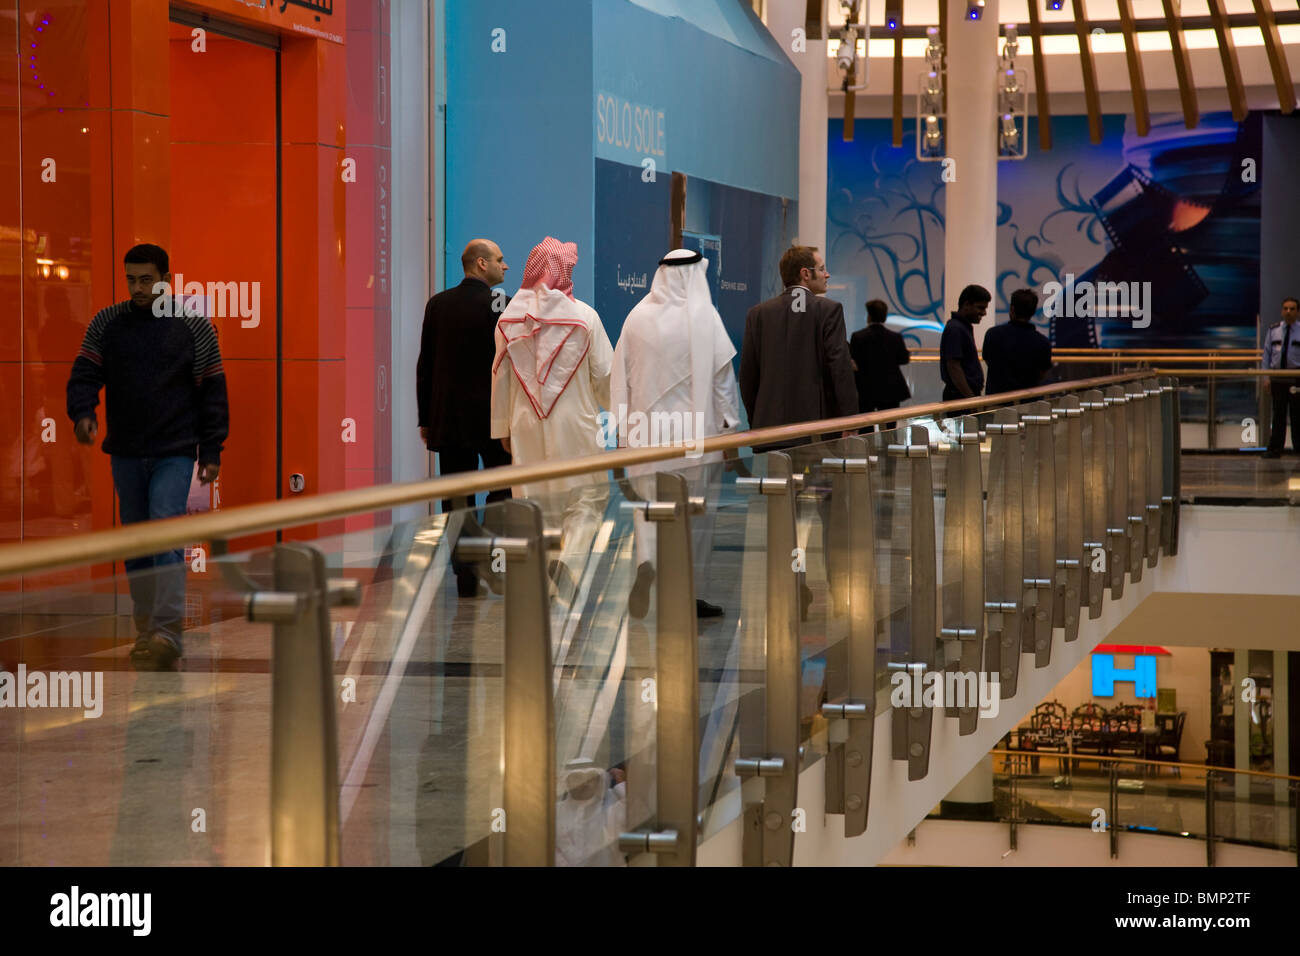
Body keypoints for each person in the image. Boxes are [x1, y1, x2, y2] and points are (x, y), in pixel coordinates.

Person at [66, 243, 229, 671]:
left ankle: (167, 632)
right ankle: (146, 631)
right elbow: (84, 373)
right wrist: (83, 413)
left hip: (175, 451)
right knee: (138, 543)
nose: (137, 288)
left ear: (165, 279)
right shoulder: (108, 323)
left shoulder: (193, 326)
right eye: (131, 280)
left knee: (164, 535)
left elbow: (213, 391)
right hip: (127, 450)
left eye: (145, 280)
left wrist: (211, 450)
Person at [611, 248, 741, 619]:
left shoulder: (635, 317)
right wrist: (731, 431)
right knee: (697, 515)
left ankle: (648, 564)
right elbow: (723, 384)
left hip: (645, 438)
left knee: (649, 510)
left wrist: (622, 435)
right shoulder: (705, 318)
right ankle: (691, 593)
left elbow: (619, 380)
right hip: (696, 439)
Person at [490, 237, 613, 599]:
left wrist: (502, 428)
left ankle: (541, 589)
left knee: (535, 505)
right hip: (576, 423)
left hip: (524, 425)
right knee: (587, 498)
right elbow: (605, 375)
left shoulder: (508, 318)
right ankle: (569, 565)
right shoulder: (584, 316)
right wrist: (618, 410)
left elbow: (500, 379)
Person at [416, 238, 512, 597]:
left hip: (450, 419)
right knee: (503, 488)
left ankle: (465, 574)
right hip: (492, 418)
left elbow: (424, 365)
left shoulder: (437, 305)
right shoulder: (501, 303)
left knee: (457, 499)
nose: (507, 266)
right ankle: (496, 562)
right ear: (482, 264)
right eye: (501, 260)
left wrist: (427, 418)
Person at [739, 245, 857, 440]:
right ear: (805, 274)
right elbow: (840, 368)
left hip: (768, 430)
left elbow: (748, 377)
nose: (826, 275)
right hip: (816, 432)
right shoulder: (829, 310)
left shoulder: (758, 314)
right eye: (821, 269)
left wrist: (757, 421)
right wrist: (851, 421)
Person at [848, 298, 910, 430]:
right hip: (891, 387)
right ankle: (888, 448)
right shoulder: (895, 337)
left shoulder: (858, 337)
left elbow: (854, 360)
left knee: (866, 426)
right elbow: (904, 359)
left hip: (866, 387)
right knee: (890, 426)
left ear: (869, 316)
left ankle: (869, 449)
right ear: (885, 317)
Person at [982, 287, 1053, 395]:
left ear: (1012, 309)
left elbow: (988, 360)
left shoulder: (993, 334)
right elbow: (1043, 373)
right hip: (1029, 402)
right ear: (1033, 312)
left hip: (996, 401)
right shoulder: (1043, 342)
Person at [1263, 296, 1300, 458]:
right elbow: (1267, 355)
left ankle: (1299, 448)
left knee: (1297, 414)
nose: (1288, 312)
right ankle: (1275, 448)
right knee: (1278, 415)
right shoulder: (1274, 330)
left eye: (1292, 309)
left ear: (1298, 312)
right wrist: (1265, 377)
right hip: (1277, 378)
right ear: (1281, 311)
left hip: (1296, 377)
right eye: (1285, 308)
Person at [940, 284, 990, 400]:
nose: (984, 313)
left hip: (962, 394)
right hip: (960, 396)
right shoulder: (956, 329)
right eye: (980, 308)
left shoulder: (960, 327)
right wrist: (970, 399)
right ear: (966, 304)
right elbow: (953, 366)